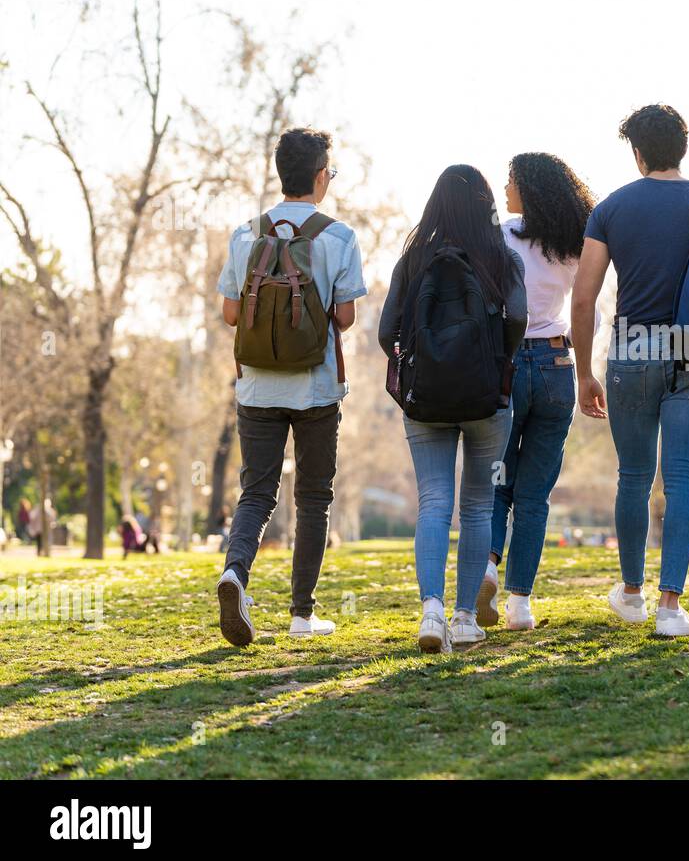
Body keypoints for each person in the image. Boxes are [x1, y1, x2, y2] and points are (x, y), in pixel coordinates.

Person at [571, 104, 689, 638]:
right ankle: (671, 607)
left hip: (631, 352)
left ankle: (631, 593)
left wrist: (583, 372)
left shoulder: (611, 209)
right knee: (683, 477)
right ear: (683, 149)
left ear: (638, 153)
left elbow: (583, 299)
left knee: (633, 477)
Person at [214, 127, 367, 646]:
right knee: (314, 497)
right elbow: (344, 318)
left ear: (283, 174)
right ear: (321, 176)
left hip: (256, 387)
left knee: (256, 492)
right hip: (316, 389)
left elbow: (232, 312)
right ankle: (303, 614)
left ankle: (235, 573)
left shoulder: (244, 234)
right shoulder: (339, 237)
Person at [379, 164, 528, 653]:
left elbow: (386, 332)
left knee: (434, 502)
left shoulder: (414, 259)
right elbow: (520, 317)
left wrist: (413, 370)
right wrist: (498, 362)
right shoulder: (501, 258)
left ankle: (431, 610)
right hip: (487, 398)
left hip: (426, 400)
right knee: (480, 504)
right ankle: (465, 618)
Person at [478, 153, 595, 633]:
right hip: (555, 366)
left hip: (505, 366)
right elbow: (589, 307)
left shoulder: (501, 234)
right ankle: (519, 604)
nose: (505, 188)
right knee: (535, 494)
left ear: (527, 187)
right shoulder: (575, 243)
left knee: (496, 483)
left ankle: (486, 567)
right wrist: (587, 372)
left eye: (510, 180)